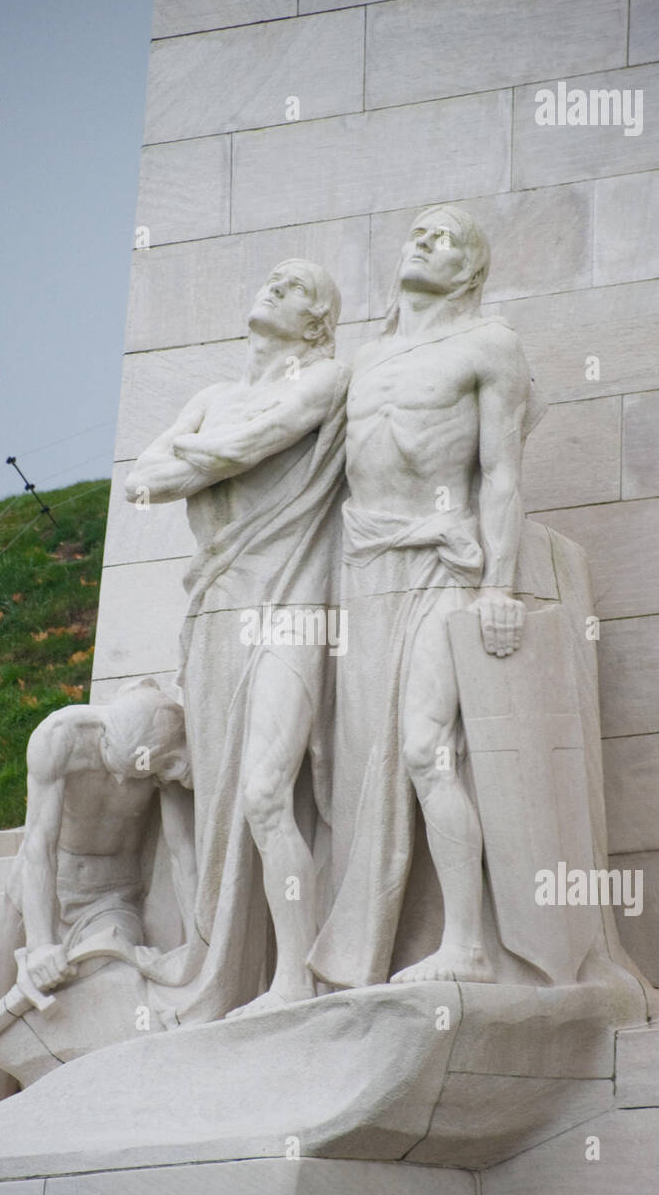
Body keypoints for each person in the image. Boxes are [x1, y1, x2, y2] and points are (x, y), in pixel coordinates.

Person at [309, 205, 546, 991]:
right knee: (357, 765)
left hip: (445, 564)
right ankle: (361, 948)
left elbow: (501, 474)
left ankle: (466, 945)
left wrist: (498, 586)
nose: (421, 240)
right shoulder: (366, 357)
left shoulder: (488, 344)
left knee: (424, 747)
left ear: (470, 268)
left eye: (442, 236)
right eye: (416, 231)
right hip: (363, 567)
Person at [125, 260, 349, 1021]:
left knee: (264, 789)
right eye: (271, 279)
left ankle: (296, 978)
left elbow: (247, 447)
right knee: (223, 801)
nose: (273, 288)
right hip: (216, 609)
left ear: (316, 323)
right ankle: (226, 965)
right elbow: (141, 481)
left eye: (294, 287)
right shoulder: (211, 397)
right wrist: (204, 456)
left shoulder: (324, 379)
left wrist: (193, 457)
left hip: (293, 604)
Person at [0, 677, 195, 1104]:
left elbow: (182, 854)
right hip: (38, 893)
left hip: (110, 900)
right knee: (2, 1024)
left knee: (108, 994)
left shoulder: (160, 752)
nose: (122, 780)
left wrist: (197, 949)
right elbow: (39, 844)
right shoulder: (59, 738)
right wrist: (40, 945)